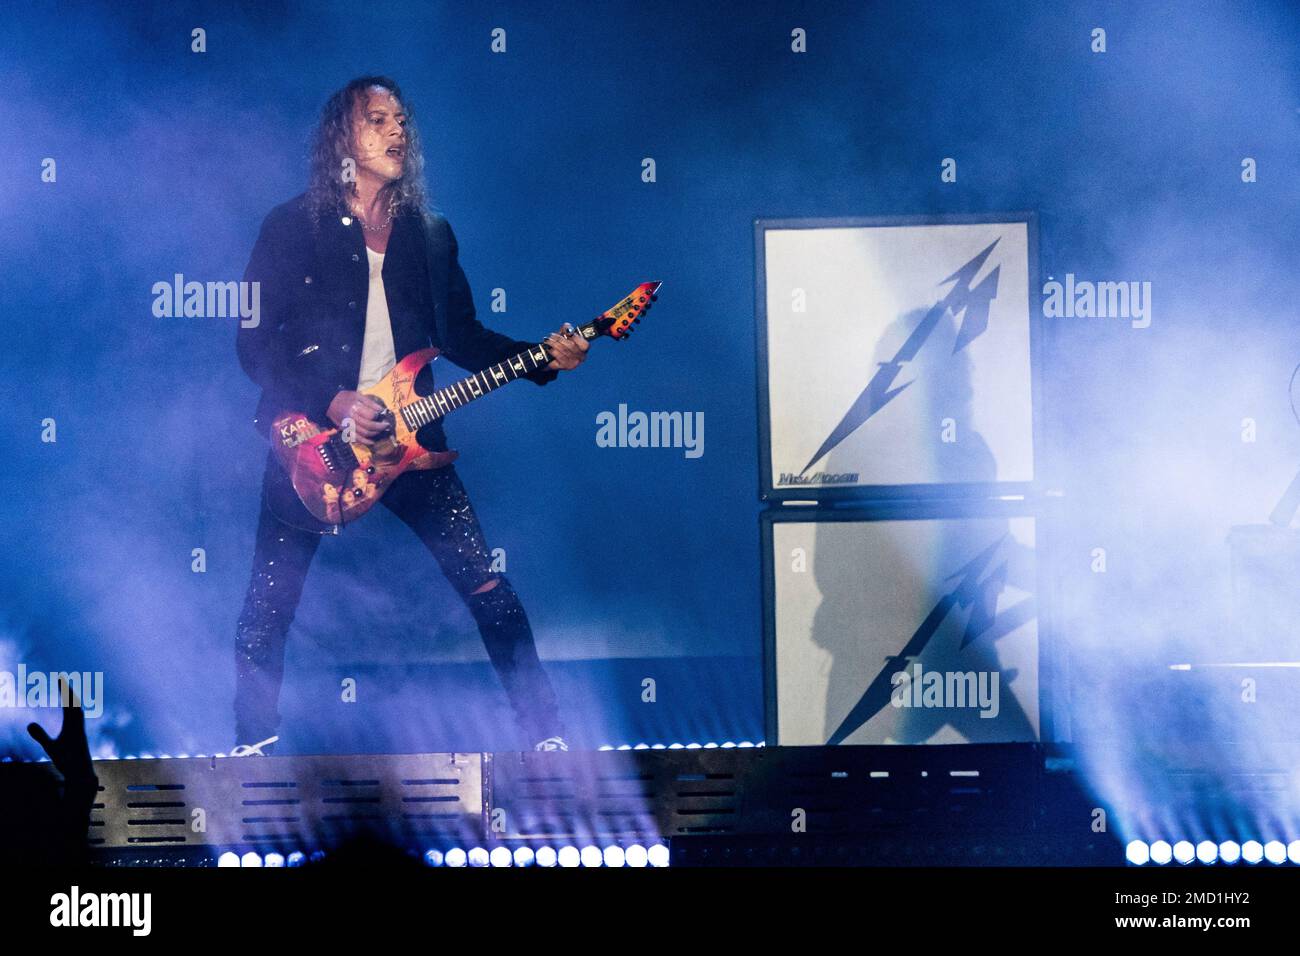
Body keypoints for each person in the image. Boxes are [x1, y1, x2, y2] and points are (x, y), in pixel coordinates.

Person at [232, 76, 587, 756]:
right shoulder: (289, 227)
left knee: (484, 580)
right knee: (269, 601)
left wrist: (546, 357)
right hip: (312, 442)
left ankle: (546, 740)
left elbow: (464, 337)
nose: (397, 131)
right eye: (377, 119)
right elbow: (254, 343)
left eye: (402, 120)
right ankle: (253, 752)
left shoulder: (429, 233)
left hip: (409, 438)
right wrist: (332, 399)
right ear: (343, 135)